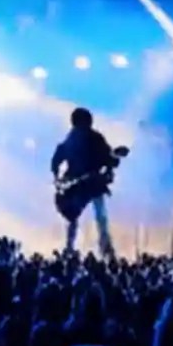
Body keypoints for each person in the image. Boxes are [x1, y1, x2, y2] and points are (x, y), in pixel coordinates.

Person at [50, 107, 116, 257]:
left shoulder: (84, 138)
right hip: (82, 184)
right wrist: (57, 178)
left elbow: (109, 157)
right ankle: (72, 247)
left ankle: (101, 247)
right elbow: (57, 159)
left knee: (97, 216)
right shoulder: (76, 139)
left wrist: (109, 169)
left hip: (90, 183)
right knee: (81, 216)